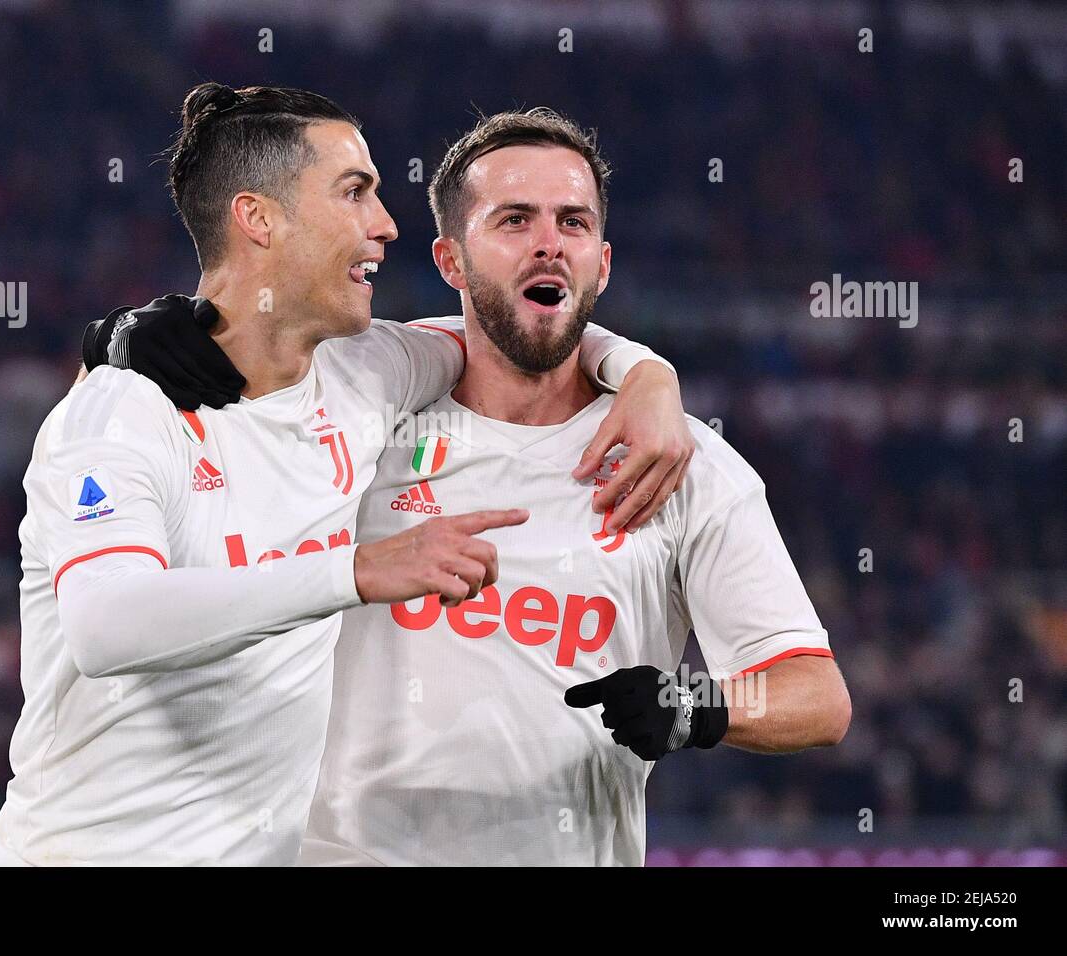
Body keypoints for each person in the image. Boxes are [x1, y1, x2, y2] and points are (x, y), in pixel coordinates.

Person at [115, 106, 853, 866]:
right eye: (514, 220)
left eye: (573, 223)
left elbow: (817, 697)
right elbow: (159, 401)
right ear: (450, 261)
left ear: (602, 260)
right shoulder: (360, 410)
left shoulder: (680, 461)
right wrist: (119, 342)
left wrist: (702, 707)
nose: (548, 243)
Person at [0, 86, 690, 866]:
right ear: (259, 218)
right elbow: (106, 623)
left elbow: (515, 325)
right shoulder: (120, 410)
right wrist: (353, 571)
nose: (385, 225)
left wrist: (646, 373)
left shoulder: (364, 373)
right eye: (355, 192)